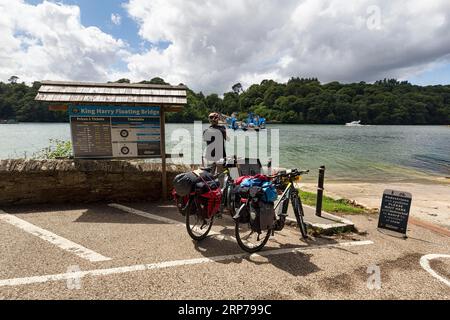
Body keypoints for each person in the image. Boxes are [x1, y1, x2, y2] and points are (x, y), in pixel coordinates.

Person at [203, 112, 228, 183]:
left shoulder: (206, 131)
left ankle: (211, 191)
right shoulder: (222, 128)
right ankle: (221, 191)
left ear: (209, 120)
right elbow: (226, 138)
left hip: (210, 156)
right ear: (218, 119)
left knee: (210, 176)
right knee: (221, 175)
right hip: (220, 156)